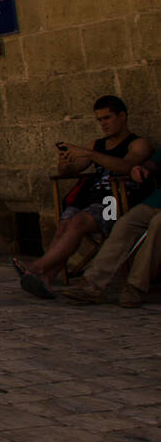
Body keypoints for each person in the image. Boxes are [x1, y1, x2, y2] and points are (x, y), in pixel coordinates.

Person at [15, 95, 150, 298]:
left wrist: (90, 154)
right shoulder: (97, 144)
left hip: (116, 200)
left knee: (78, 222)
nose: (103, 124)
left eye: (107, 118)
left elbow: (127, 166)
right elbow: (68, 171)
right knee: (65, 224)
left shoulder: (138, 143)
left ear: (122, 116)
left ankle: (37, 267)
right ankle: (46, 278)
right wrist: (65, 160)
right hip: (89, 198)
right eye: (99, 120)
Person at [62, 150, 161, 306]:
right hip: (156, 202)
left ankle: (135, 286)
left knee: (158, 223)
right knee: (125, 223)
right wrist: (141, 168)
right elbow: (153, 163)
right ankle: (93, 284)